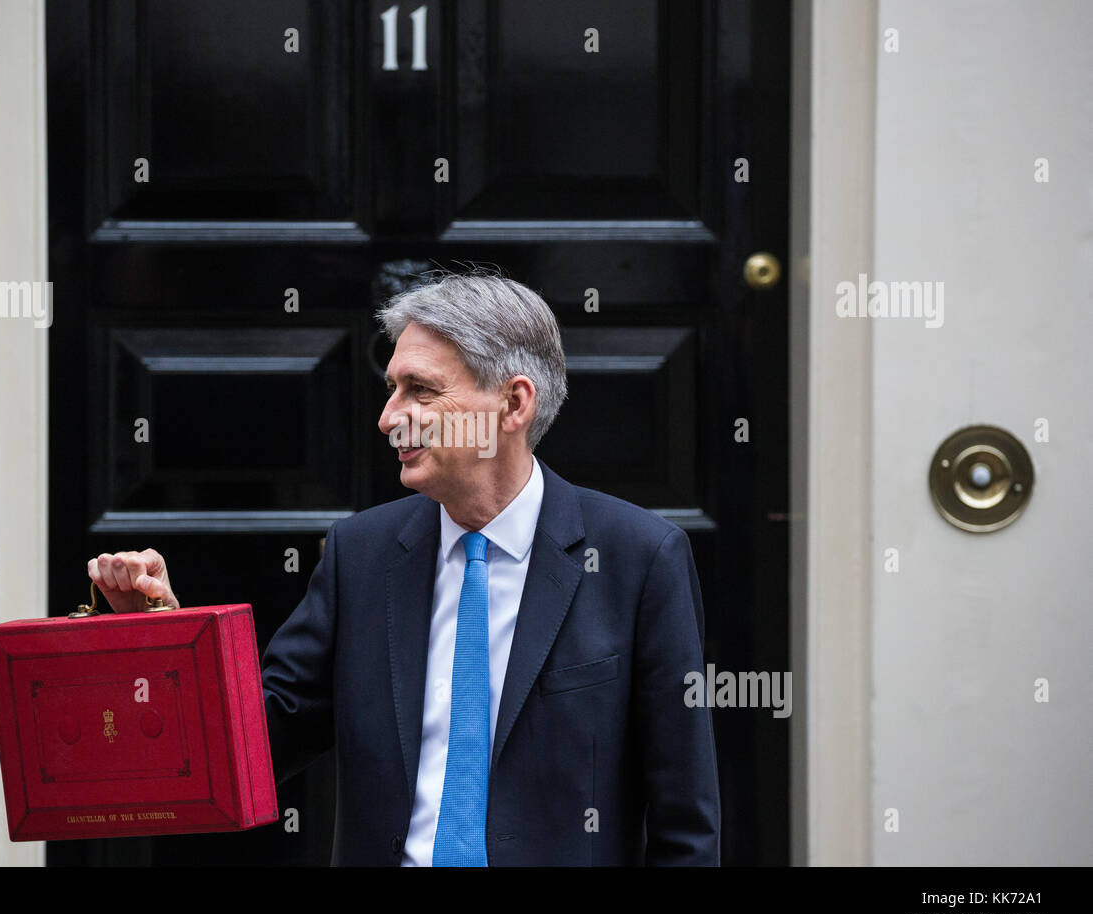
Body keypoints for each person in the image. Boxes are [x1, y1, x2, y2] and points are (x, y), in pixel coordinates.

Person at [88, 270, 720, 865]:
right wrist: (160, 637)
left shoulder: (638, 558)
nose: (389, 418)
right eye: (392, 390)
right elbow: (254, 744)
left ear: (512, 403)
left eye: (420, 390)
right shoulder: (359, 555)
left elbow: (684, 821)